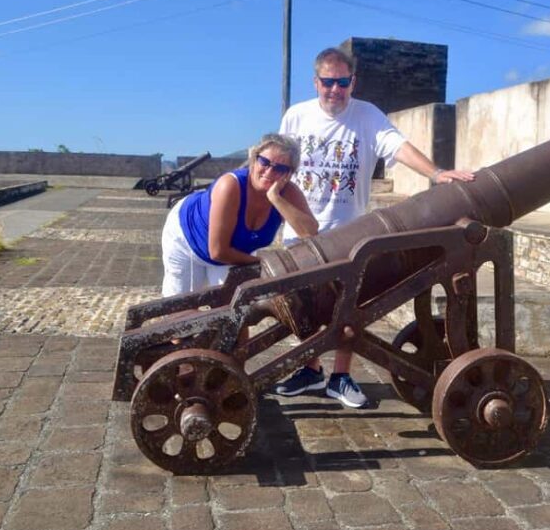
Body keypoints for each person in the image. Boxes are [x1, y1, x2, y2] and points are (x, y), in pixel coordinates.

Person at [274, 47, 475, 408]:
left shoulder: (367, 116)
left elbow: (398, 147)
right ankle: (310, 369)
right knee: (306, 306)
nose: (335, 91)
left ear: (353, 82)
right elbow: (279, 162)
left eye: (342, 83)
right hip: (300, 229)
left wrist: (436, 173)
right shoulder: (296, 116)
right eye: (327, 83)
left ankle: (341, 375)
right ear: (315, 82)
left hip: (350, 230)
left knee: (349, 307)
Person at [161, 133, 317, 296]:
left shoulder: (286, 193)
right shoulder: (230, 186)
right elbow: (217, 251)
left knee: (233, 306)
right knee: (182, 305)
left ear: (289, 174)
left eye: (280, 168)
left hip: (233, 251)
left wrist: (275, 198)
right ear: (254, 160)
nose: (270, 171)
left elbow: (310, 232)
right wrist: (264, 262)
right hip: (188, 238)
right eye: (264, 162)